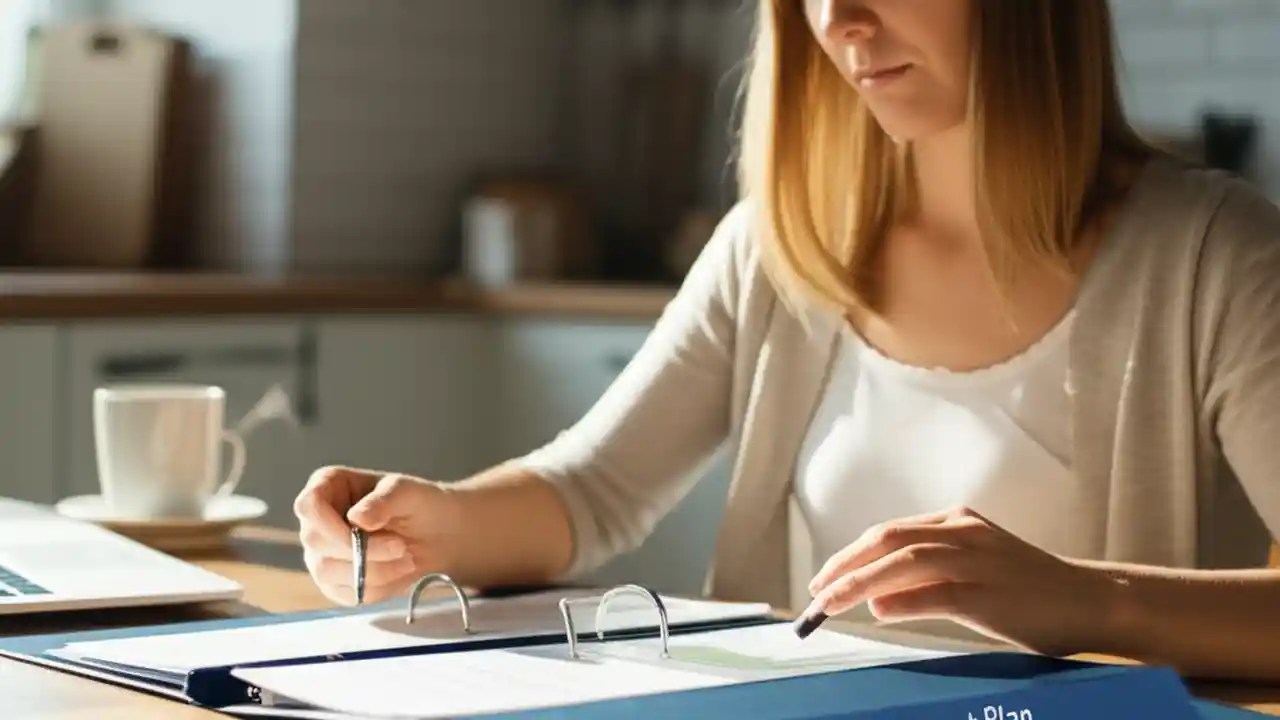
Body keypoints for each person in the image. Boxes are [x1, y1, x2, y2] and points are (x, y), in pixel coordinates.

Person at [295, 0, 1280, 680]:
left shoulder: (1216, 256)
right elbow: (593, 490)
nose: (840, 22)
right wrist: (434, 524)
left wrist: (1087, 604)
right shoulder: (777, 247)